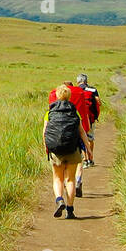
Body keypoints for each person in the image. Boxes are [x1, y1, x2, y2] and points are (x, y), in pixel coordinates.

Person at [43, 84, 93, 219]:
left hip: (56, 151)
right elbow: (82, 132)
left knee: (57, 178)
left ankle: (59, 200)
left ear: (57, 96)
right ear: (69, 97)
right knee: (70, 180)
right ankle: (70, 210)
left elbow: (45, 132)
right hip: (72, 150)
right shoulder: (74, 111)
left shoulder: (50, 113)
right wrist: (88, 150)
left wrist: (47, 148)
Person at [52, 75, 94, 195]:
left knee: (58, 175)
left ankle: (60, 197)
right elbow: (84, 115)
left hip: (57, 139)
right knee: (78, 161)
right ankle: (78, 180)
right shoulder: (79, 96)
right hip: (75, 134)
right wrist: (88, 148)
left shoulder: (52, 109)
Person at [77, 75, 100, 169]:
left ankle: (85, 160)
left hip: (79, 120)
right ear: (86, 81)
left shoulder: (75, 90)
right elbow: (98, 103)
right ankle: (91, 158)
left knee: (82, 139)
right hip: (90, 119)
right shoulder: (93, 90)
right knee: (90, 139)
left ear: (78, 81)